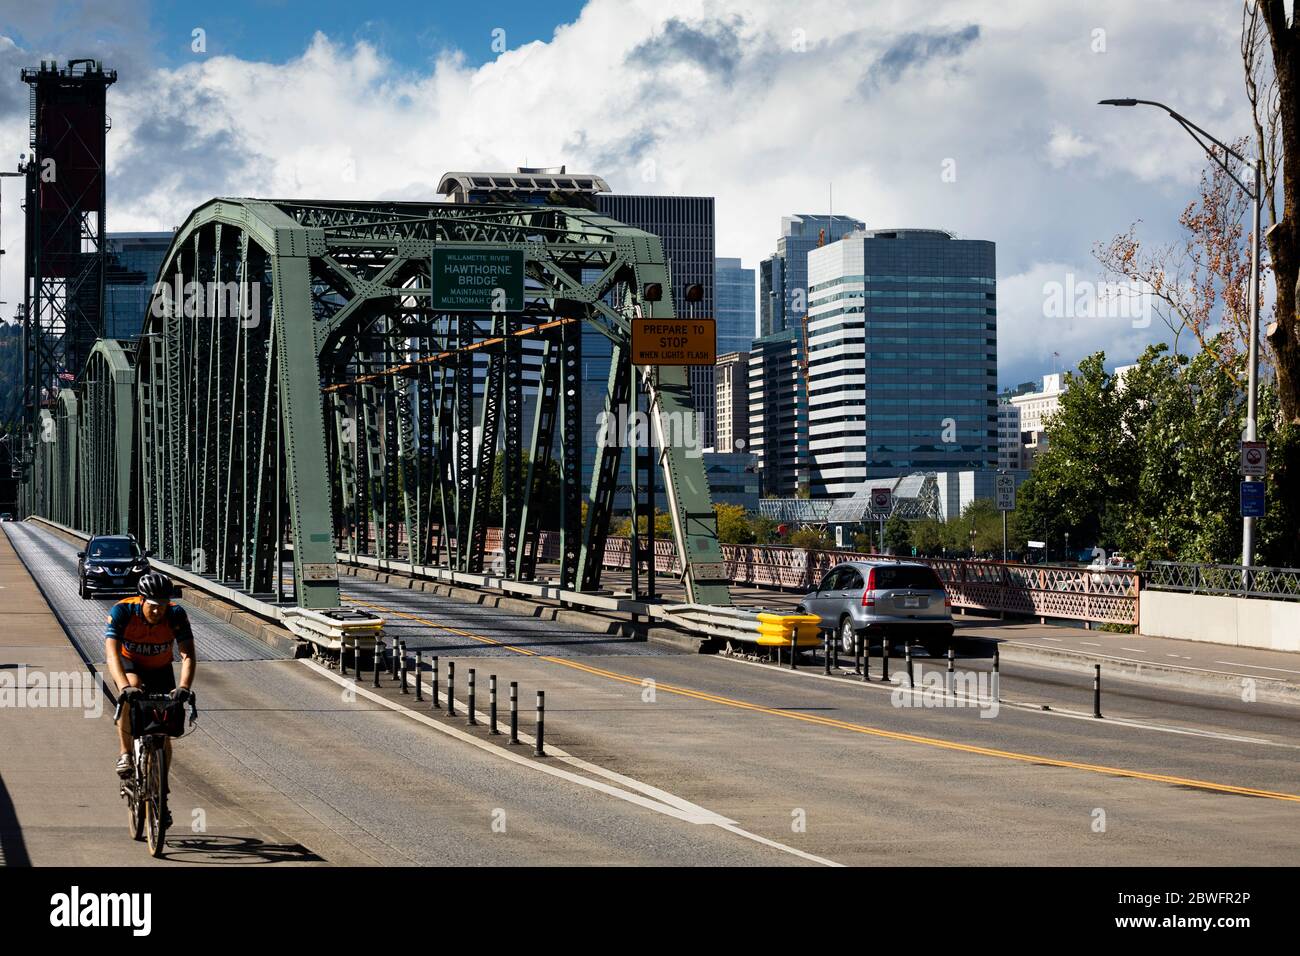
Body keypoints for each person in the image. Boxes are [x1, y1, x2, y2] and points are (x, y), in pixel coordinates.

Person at [104, 571, 197, 825]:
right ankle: (125, 754)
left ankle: (161, 792)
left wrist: (184, 687)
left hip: (160, 668)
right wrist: (123, 687)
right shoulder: (123, 611)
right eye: (153, 606)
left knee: (163, 730)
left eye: (163, 606)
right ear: (142, 600)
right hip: (130, 663)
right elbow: (111, 654)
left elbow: (187, 655)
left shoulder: (176, 615)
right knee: (131, 692)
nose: (158, 611)